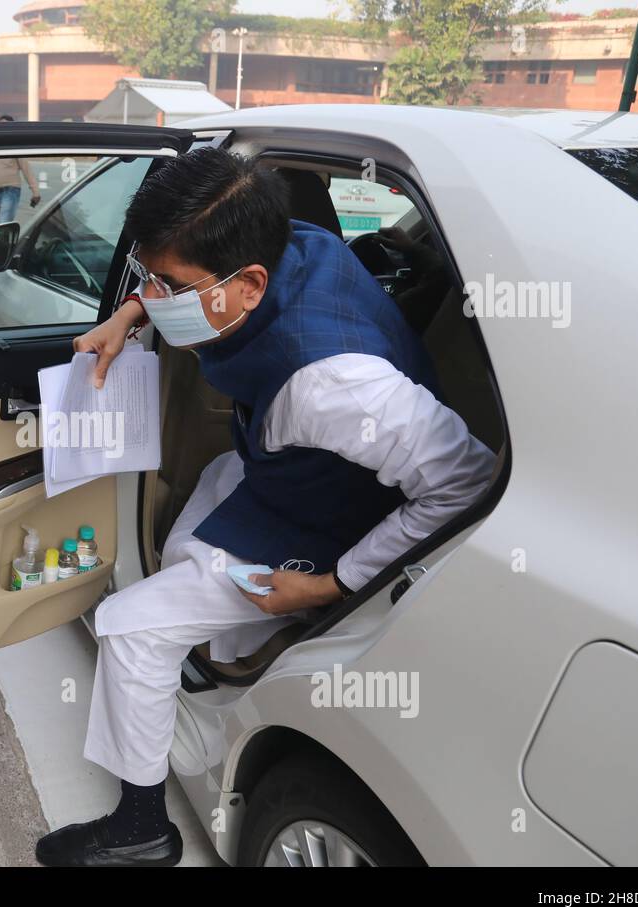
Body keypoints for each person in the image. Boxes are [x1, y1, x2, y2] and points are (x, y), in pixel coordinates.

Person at [35, 149, 496, 866]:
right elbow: (183, 279)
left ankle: (139, 829)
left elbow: (465, 483)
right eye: (147, 279)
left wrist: (332, 583)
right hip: (295, 476)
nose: (152, 295)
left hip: (340, 526)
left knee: (127, 626)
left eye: (167, 286)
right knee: (206, 495)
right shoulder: (295, 242)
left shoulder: (337, 386)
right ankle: (223, 648)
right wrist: (129, 314)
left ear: (248, 283)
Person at [0, 150, 41, 225]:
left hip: (10, 191)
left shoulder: (13, 147)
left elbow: (27, 169)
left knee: (3, 225)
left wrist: (36, 192)